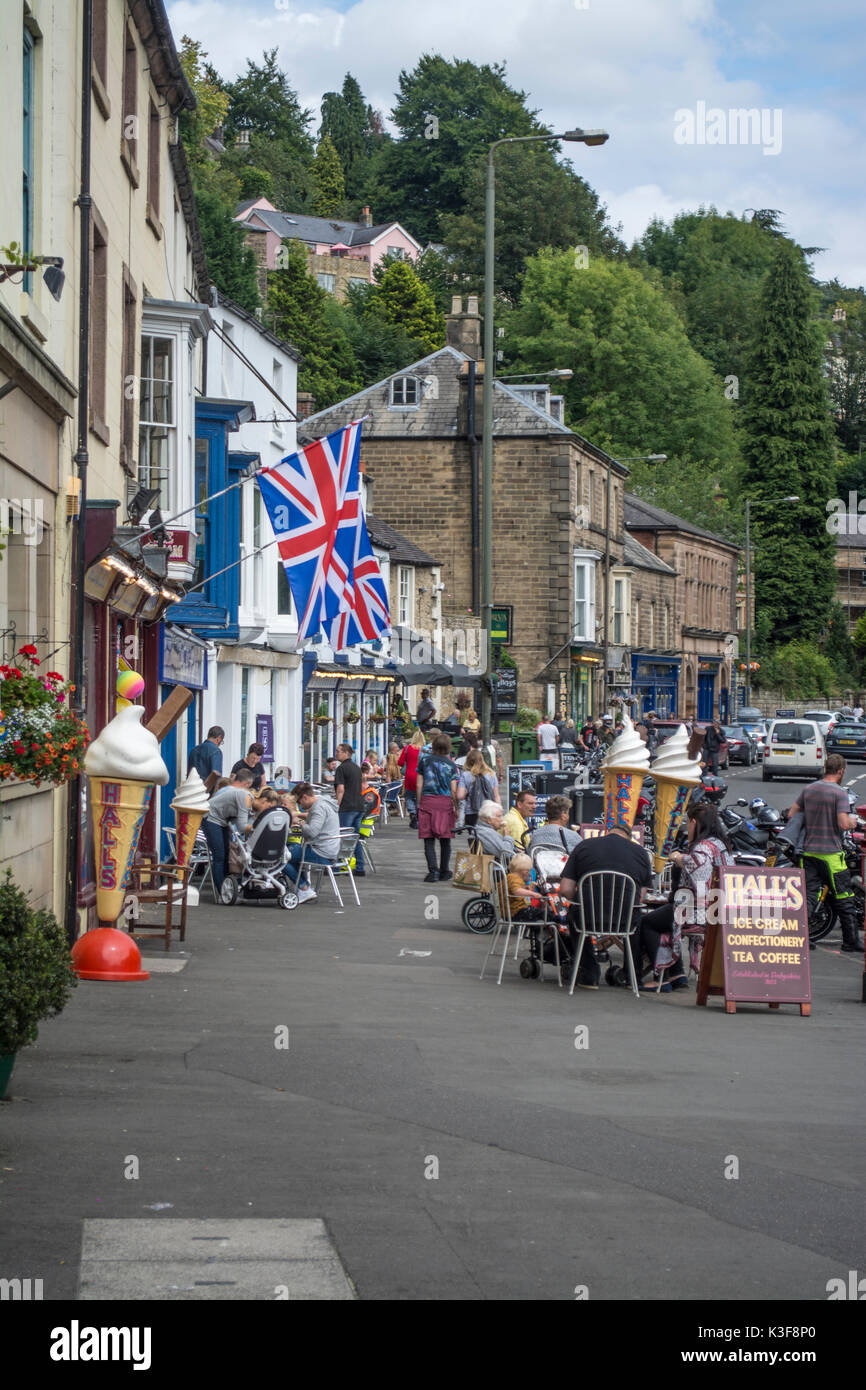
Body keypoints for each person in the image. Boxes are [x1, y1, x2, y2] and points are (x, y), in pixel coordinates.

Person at [639, 802, 734, 989]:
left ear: (694, 822)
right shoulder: (721, 845)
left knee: (648, 922)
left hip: (699, 912)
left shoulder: (703, 847)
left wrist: (678, 858)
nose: (687, 828)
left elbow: (699, 871)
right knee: (663, 918)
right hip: (719, 909)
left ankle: (662, 977)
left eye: (688, 823)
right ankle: (677, 974)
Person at [558, 824, 653, 988]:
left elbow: (565, 889)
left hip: (588, 917)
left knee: (573, 915)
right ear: (629, 837)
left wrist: (582, 900)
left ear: (606, 833)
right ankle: (632, 977)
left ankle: (590, 974)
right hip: (625, 920)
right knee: (637, 919)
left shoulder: (584, 846)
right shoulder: (641, 853)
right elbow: (639, 899)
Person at [790, 753, 863, 953]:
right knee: (844, 896)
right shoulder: (838, 793)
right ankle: (850, 941)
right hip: (831, 854)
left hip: (808, 852)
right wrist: (853, 822)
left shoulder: (809, 789)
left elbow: (792, 814)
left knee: (808, 896)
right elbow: (843, 823)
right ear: (841, 771)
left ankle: (800, 938)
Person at [284, 782, 341, 903]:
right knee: (294, 853)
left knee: (280, 858)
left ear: (305, 797)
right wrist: (300, 815)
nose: (299, 805)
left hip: (320, 852)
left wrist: (299, 821)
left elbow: (311, 832)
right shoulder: (323, 801)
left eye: (299, 802)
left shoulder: (318, 808)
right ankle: (304, 887)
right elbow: (314, 817)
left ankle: (304, 888)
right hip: (330, 850)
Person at [416, 731, 459, 882]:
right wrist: (457, 807)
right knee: (445, 839)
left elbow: (419, 784)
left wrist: (419, 802)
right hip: (445, 802)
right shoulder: (451, 765)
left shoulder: (424, 761)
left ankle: (433, 871)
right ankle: (444, 871)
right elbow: (454, 789)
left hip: (428, 800)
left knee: (428, 839)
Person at [204, 767, 254, 894]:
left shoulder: (228, 789)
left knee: (224, 854)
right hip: (212, 819)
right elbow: (242, 825)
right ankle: (222, 891)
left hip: (219, 819)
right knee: (220, 855)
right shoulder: (243, 794)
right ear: (247, 784)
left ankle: (227, 887)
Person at [334, 743, 367, 877]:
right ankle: (360, 867)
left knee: (342, 836)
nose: (336, 754)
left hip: (347, 807)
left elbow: (340, 789)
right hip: (359, 806)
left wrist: (337, 805)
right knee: (355, 837)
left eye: (338, 751)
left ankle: (338, 866)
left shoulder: (341, 769)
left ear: (346, 753)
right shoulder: (356, 768)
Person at [462, 748, 499, 833]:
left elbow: (460, 795)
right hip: (488, 811)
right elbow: (496, 795)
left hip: (471, 812)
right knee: (488, 837)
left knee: (473, 838)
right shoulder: (491, 774)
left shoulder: (465, 775)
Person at [398, 729, 425, 829]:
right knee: (421, 796)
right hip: (422, 776)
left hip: (409, 775)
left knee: (409, 796)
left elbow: (400, 762)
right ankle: (419, 813)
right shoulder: (424, 750)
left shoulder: (407, 748)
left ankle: (413, 813)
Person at [188, 726, 225, 792]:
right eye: (221, 741)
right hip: (206, 793)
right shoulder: (216, 751)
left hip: (192, 790)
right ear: (219, 738)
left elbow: (189, 773)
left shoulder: (194, 750)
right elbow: (216, 776)